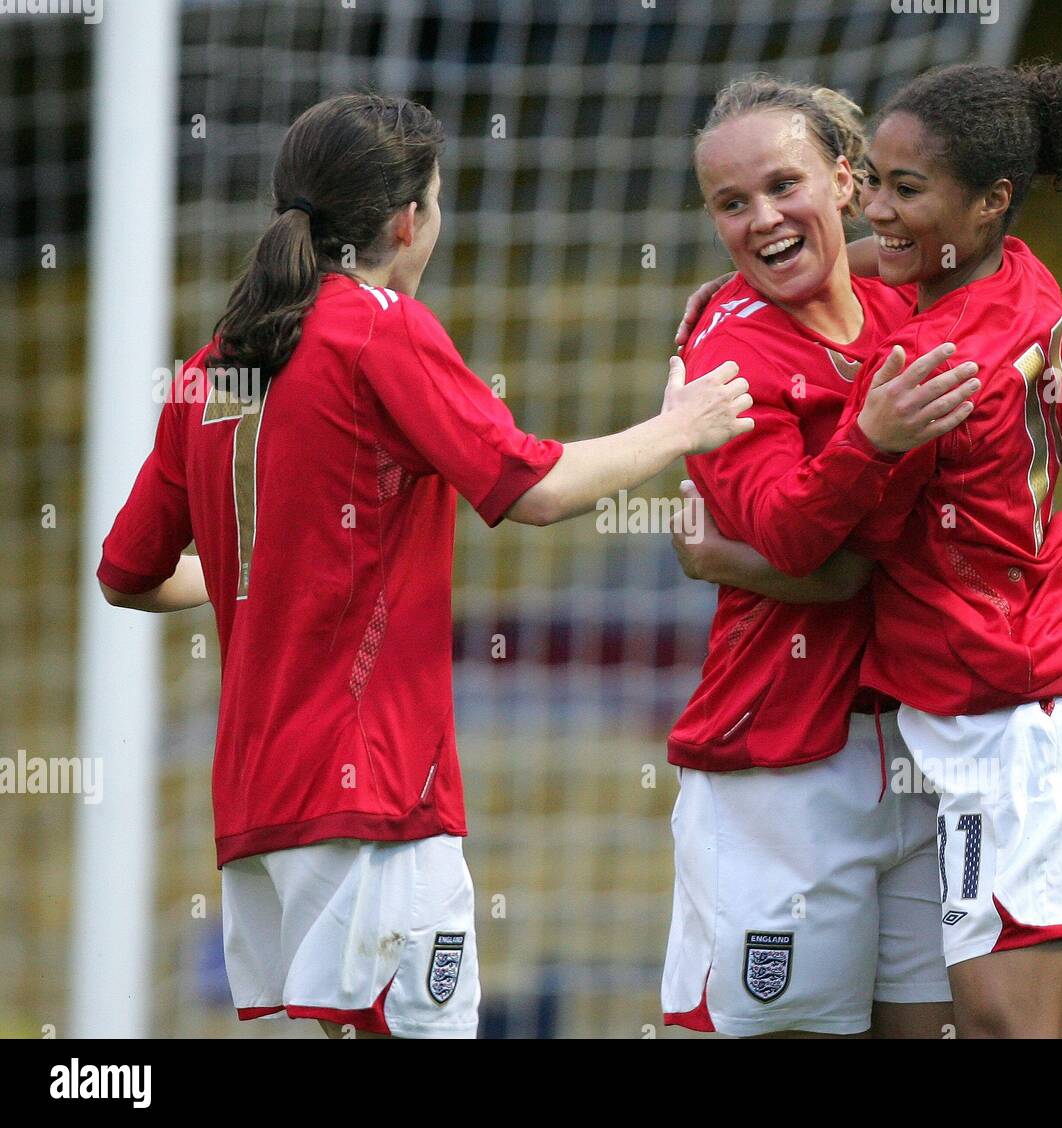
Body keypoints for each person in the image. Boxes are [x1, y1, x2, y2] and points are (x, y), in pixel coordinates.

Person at [95, 92, 753, 1040]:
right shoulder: (379, 328)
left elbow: (127, 573)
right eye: (437, 204)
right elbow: (537, 489)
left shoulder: (213, 367)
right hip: (372, 787)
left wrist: (262, 574)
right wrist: (680, 426)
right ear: (409, 220)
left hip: (257, 801)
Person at [676, 62, 1062, 1038]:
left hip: (1010, 724)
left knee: (996, 1024)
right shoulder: (1012, 276)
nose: (884, 219)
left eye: (905, 191)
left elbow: (838, 551)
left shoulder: (927, 357)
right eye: (731, 202)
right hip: (990, 716)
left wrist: (732, 548)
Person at [661, 76, 983, 1039]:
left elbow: (1018, 298)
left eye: (783, 185)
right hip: (782, 761)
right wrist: (871, 440)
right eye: (731, 203)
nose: (764, 219)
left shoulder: (910, 302)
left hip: (928, 752)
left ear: (845, 180)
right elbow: (798, 544)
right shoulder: (722, 359)